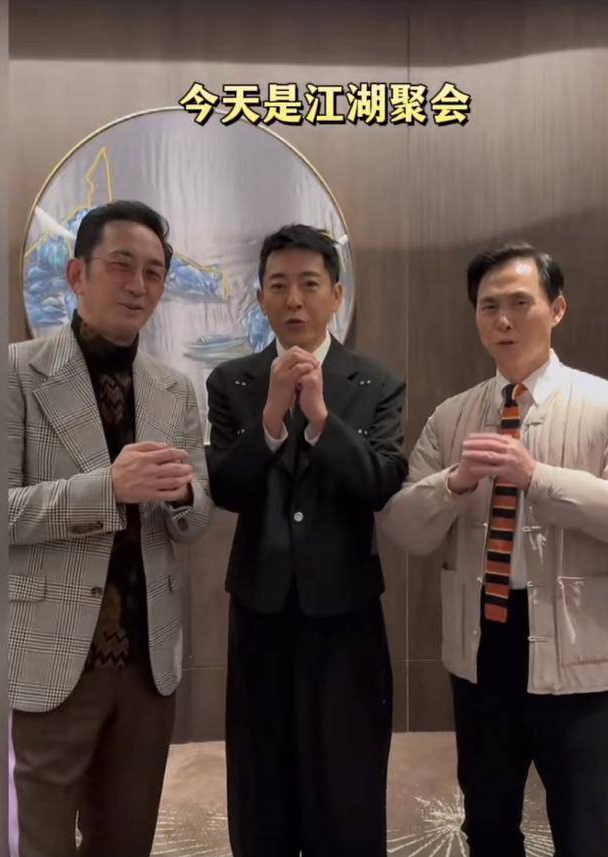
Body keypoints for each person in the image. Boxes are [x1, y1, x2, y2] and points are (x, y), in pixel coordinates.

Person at [380, 242, 608, 857]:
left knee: (584, 833)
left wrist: (536, 477)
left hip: (584, 655)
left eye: (521, 303)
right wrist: (454, 483)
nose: (503, 320)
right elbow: (403, 528)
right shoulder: (452, 417)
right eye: (488, 306)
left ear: (557, 309)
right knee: (489, 827)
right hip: (482, 647)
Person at [8, 200, 213, 857]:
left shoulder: (174, 390)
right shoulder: (15, 373)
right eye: (122, 265)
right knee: (43, 841)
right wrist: (107, 489)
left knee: (126, 839)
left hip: (148, 663)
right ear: (77, 274)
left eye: (154, 273)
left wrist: (185, 493)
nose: (138, 285)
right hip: (52, 652)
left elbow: (195, 520)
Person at [206, 224, 407, 857]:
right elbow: (225, 488)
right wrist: (270, 416)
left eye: (309, 284)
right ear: (260, 298)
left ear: (336, 294)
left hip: (345, 607)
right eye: (278, 285)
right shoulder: (232, 381)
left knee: (347, 775)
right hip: (259, 605)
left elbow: (380, 483)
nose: (294, 299)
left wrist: (321, 418)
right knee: (260, 776)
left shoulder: (376, 382)